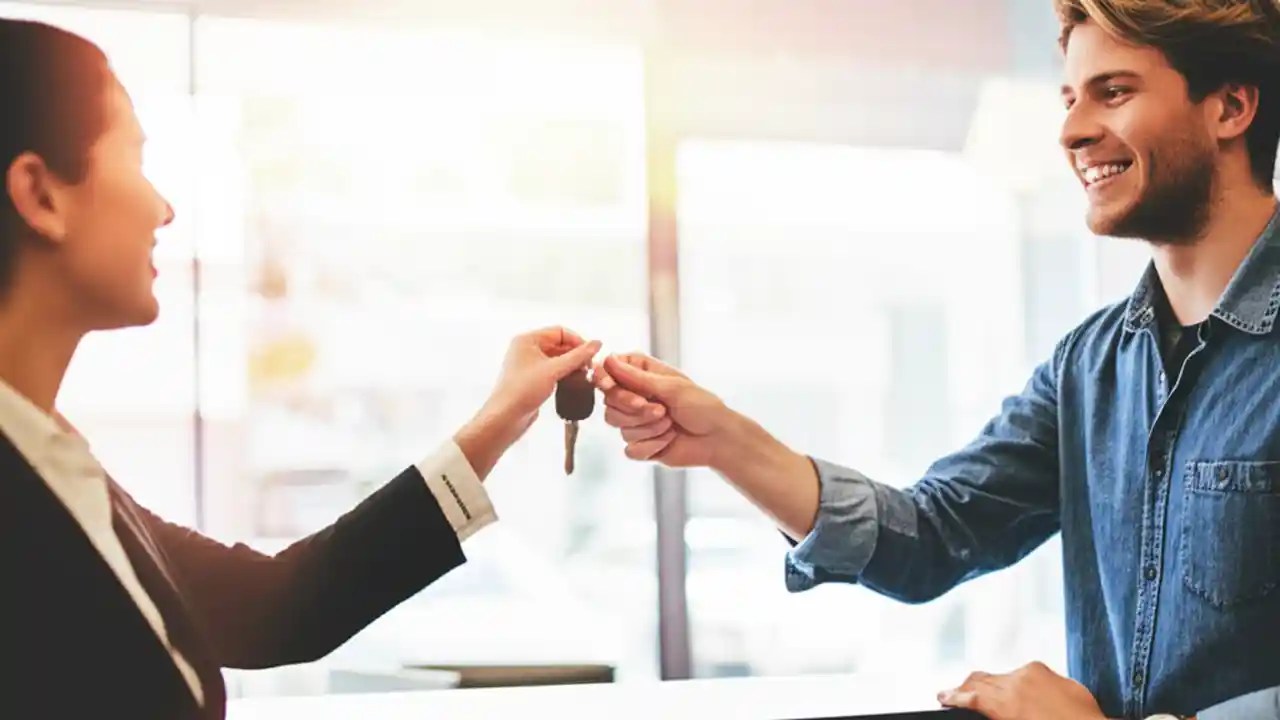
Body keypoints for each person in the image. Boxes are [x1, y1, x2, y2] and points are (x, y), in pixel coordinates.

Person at [595, 1, 1280, 719]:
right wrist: (726, 443)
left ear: (1230, 106)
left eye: (1114, 92)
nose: (1073, 130)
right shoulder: (1089, 367)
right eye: (1070, 98)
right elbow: (930, 537)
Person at [0, 18, 600, 719]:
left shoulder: (56, 463)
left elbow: (276, 609)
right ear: (41, 195)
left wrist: (499, 421)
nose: (162, 207)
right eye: (133, 158)